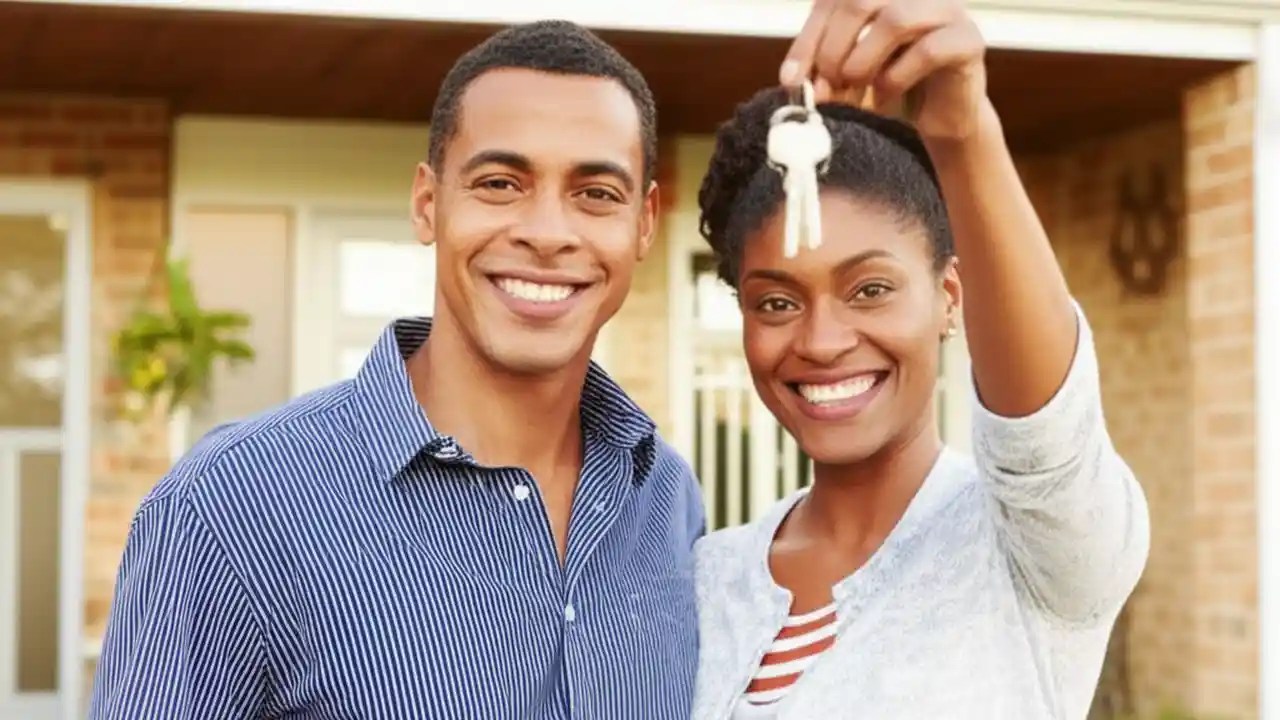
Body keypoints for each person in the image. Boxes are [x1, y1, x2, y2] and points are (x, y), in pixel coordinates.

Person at [88, 20, 704, 720]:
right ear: (427, 203)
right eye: (500, 183)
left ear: (644, 224)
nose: (547, 233)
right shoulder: (231, 509)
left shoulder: (666, 501)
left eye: (595, 194)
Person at [691, 1, 1150, 718]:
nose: (821, 341)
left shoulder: (1030, 549)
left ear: (948, 298)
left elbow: (1046, 443)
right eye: (776, 302)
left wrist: (963, 134)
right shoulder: (709, 579)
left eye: (870, 290)